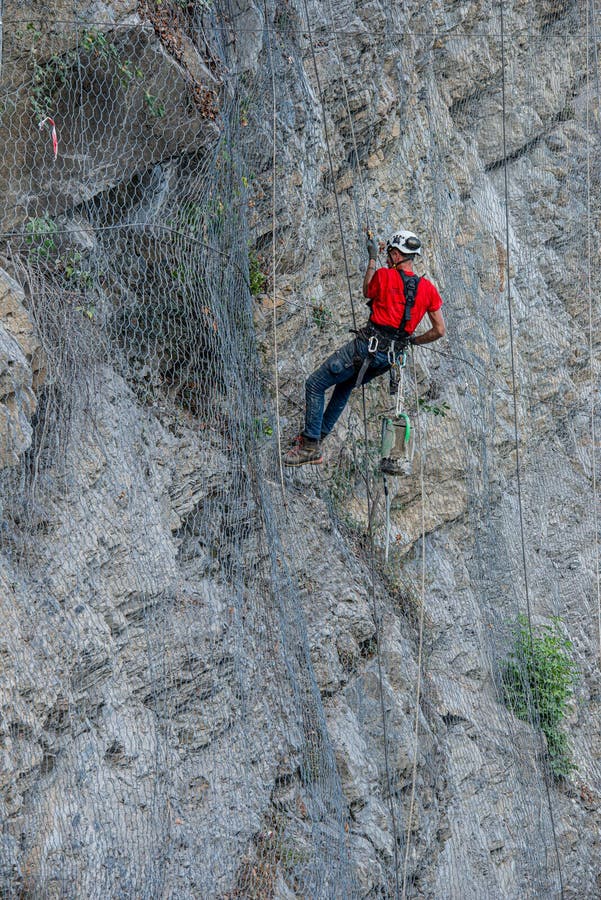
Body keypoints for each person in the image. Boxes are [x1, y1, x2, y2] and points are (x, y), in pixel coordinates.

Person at [284, 229, 445, 467]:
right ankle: (318, 438)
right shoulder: (428, 289)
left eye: (390, 254)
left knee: (315, 384)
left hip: (365, 348)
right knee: (345, 386)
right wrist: (413, 341)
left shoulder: (384, 275)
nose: (388, 258)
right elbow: (439, 330)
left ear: (398, 255)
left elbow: (367, 290)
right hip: (389, 358)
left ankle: (310, 445)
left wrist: (371, 258)